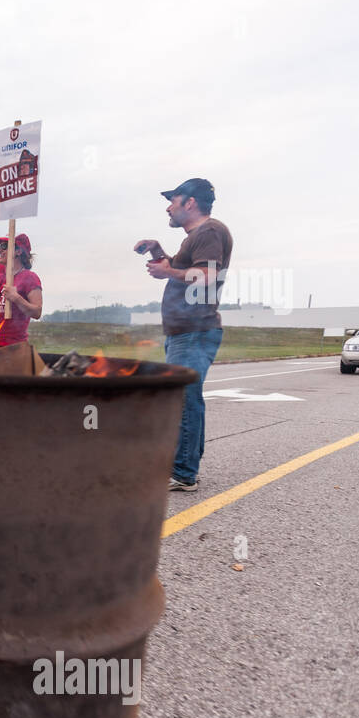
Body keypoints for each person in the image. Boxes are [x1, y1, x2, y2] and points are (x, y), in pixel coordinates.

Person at [134, 177, 233, 492]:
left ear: (190, 202)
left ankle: (183, 472)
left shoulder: (210, 231)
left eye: (173, 200)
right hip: (186, 332)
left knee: (184, 399)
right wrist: (157, 251)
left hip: (194, 331)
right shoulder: (196, 237)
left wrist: (167, 271)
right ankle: (186, 466)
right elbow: (177, 269)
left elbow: (207, 275)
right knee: (188, 398)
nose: (168, 207)